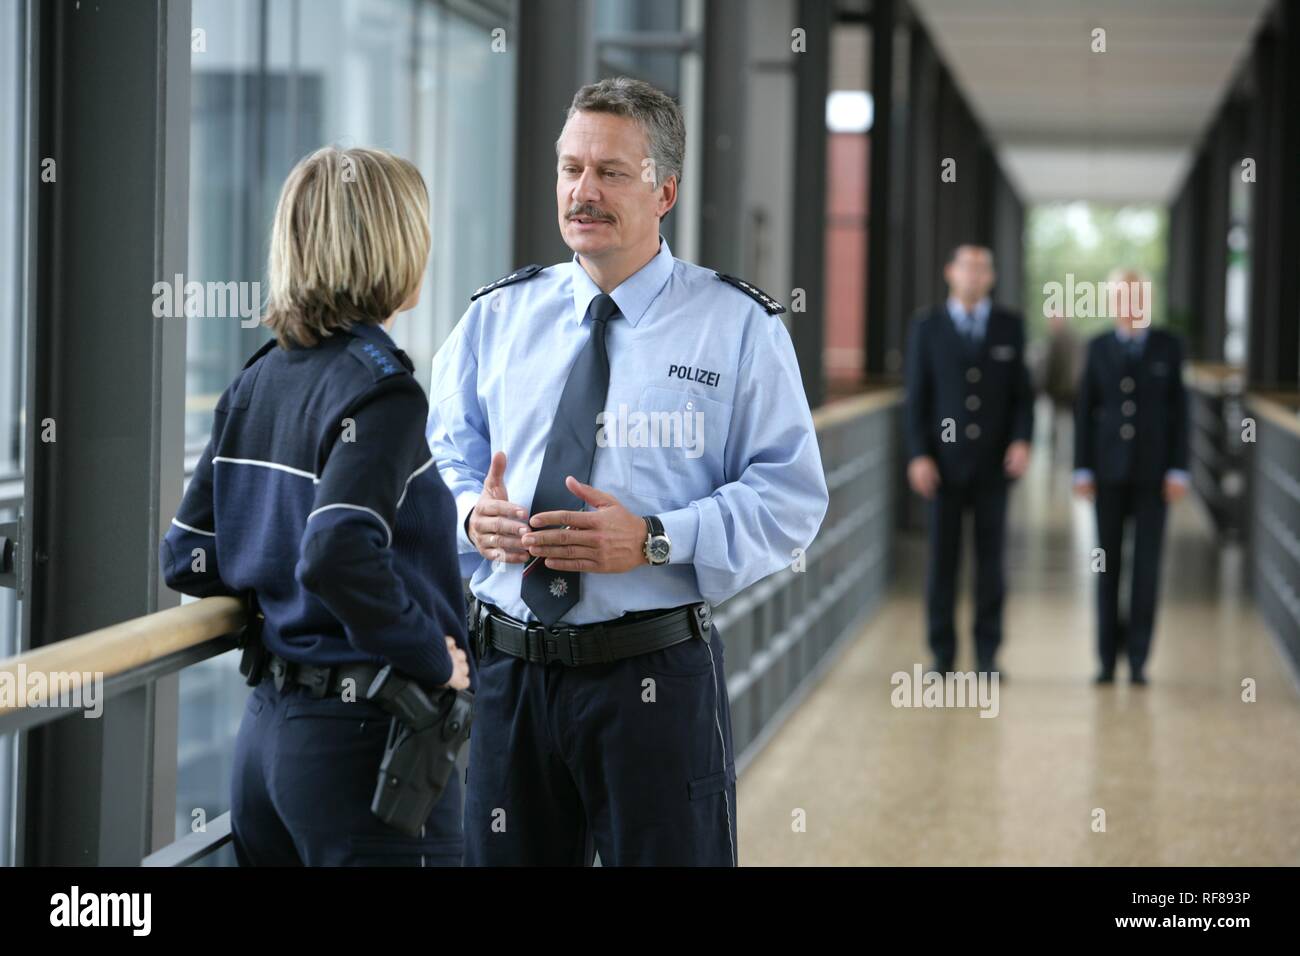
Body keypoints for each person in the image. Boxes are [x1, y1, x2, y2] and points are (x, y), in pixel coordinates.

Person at [427, 76, 828, 866]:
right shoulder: (496, 318)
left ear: (665, 190)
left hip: (653, 679)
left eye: (611, 171)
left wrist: (653, 540)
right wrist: (472, 512)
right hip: (508, 675)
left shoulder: (735, 326)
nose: (584, 191)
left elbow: (789, 496)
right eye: (571, 168)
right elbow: (441, 457)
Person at [160, 146, 472, 865]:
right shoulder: (381, 393)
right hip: (363, 750)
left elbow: (187, 556)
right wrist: (433, 655)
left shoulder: (259, 378)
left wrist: (279, 577)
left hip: (267, 740)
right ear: (396, 249)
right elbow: (336, 553)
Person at [904, 244, 1034, 675]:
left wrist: (1022, 441)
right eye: (967, 267)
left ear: (991, 277)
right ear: (950, 272)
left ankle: (987, 654)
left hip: (994, 466)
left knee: (990, 563)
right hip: (942, 468)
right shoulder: (928, 327)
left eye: (983, 269)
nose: (975, 276)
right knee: (942, 561)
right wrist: (919, 454)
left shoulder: (1009, 326)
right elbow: (916, 399)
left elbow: (1022, 397)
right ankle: (942, 654)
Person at [1073, 268, 1189, 685]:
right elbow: (1085, 411)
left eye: (1136, 295)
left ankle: (1138, 658)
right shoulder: (1098, 346)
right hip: (1107, 473)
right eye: (1121, 296)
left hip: (1154, 475)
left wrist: (1179, 468)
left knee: (1147, 568)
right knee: (1107, 565)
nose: (1129, 303)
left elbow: (1181, 412)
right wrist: (1081, 468)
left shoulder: (1169, 346)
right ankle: (1106, 657)